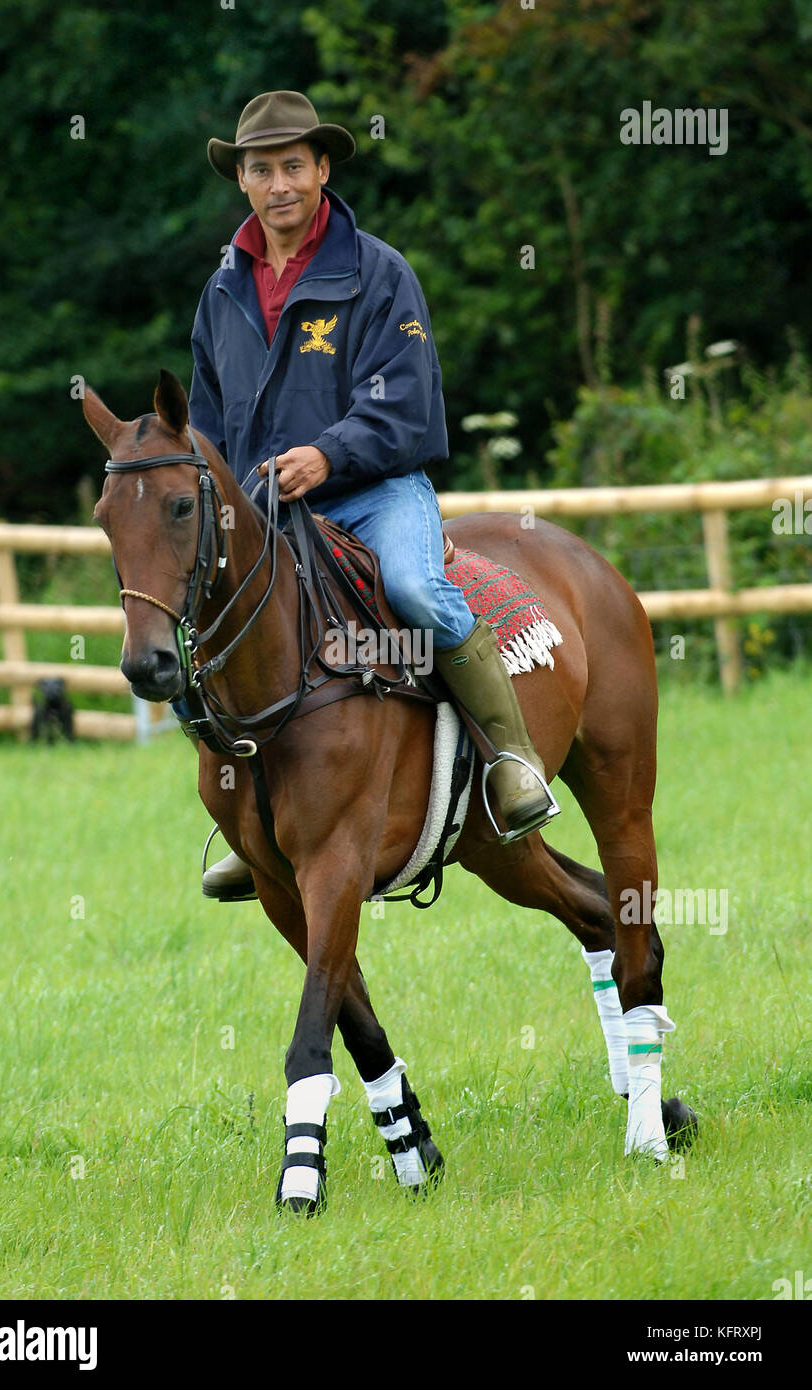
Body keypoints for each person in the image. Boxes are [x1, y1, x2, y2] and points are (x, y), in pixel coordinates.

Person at [188, 91, 552, 898]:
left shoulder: (379, 271)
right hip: (265, 512)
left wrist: (327, 453)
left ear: (321, 168)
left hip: (375, 491)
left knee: (418, 589)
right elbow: (206, 423)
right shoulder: (222, 291)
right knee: (209, 624)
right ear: (241, 182)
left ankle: (511, 762)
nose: (278, 183)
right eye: (260, 169)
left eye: (292, 165)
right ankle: (246, 823)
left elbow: (408, 401)